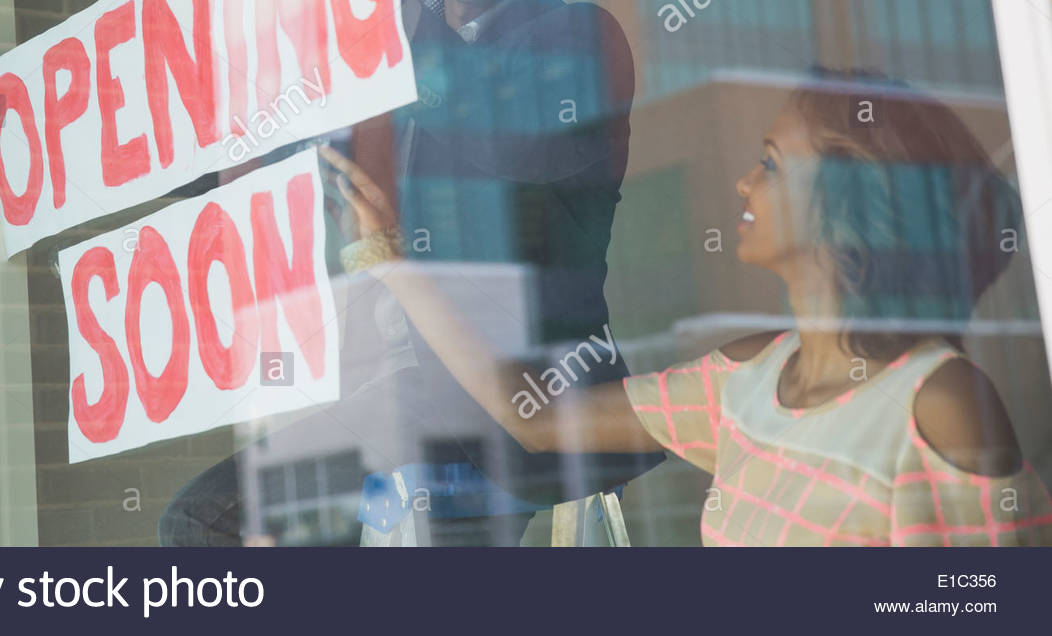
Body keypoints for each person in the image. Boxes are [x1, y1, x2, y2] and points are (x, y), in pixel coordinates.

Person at [158, 0, 663, 546]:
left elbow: (486, 120)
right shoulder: (394, 55)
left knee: (213, 525)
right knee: (205, 525)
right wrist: (131, 136)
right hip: (400, 394)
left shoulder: (581, 39)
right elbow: (257, 155)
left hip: (518, 400)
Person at [322, 69, 1052, 545]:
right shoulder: (747, 377)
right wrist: (388, 259)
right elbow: (534, 417)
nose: (742, 184)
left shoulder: (939, 402)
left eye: (770, 164)